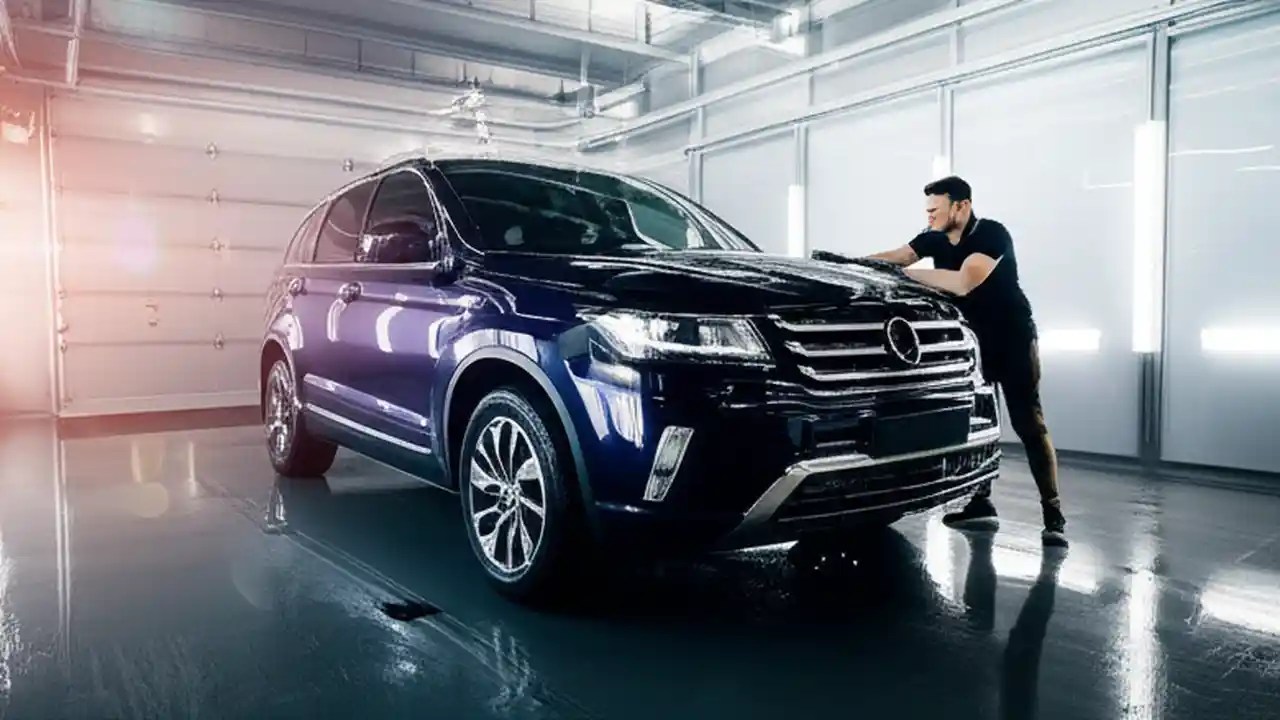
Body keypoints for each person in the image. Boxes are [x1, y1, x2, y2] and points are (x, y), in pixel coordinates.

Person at [867, 176, 1066, 547]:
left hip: (1014, 338)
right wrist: (852, 263)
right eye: (926, 210)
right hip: (974, 341)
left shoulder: (991, 234)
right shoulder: (933, 237)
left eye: (935, 209)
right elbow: (899, 256)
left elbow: (964, 282)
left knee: (1029, 422)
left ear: (961, 206)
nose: (928, 216)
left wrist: (905, 275)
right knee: (980, 423)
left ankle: (1053, 516)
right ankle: (980, 503)